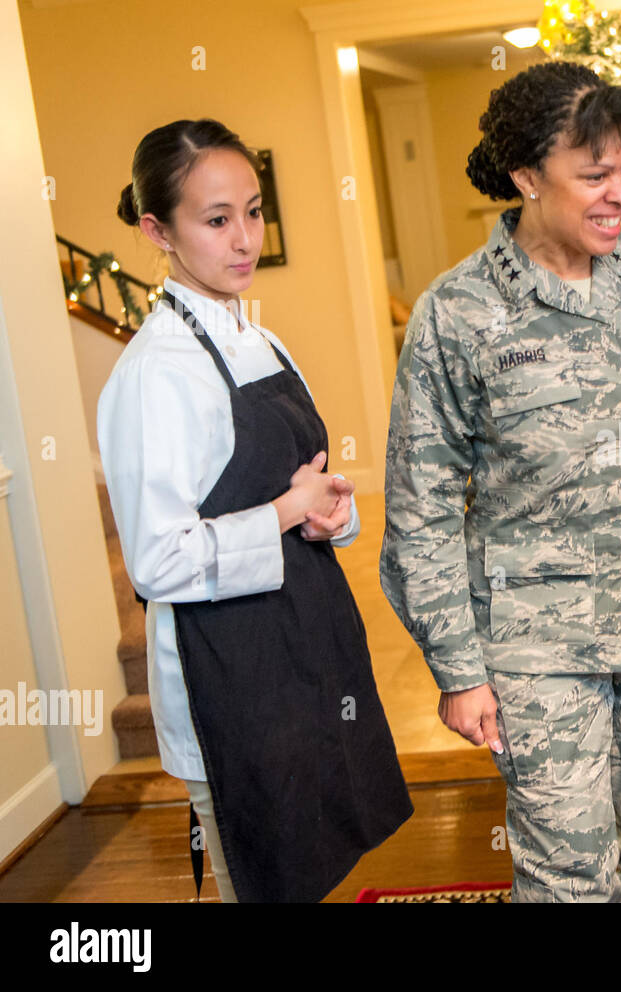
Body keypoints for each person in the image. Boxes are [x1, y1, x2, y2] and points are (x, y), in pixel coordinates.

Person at [380, 61, 621, 902]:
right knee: (569, 879)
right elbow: (421, 509)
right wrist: (460, 669)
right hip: (542, 645)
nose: (620, 191)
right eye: (594, 174)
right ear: (526, 178)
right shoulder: (455, 314)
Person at [98, 119, 412, 902]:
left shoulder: (260, 341)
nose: (244, 239)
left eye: (254, 211)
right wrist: (281, 512)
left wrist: (328, 515)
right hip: (232, 684)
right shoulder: (154, 375)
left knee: (319, 867)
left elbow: (310, 494)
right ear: (156, 231)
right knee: (266, 882)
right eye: (216, 220)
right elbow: (157, 560)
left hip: (306, 656)